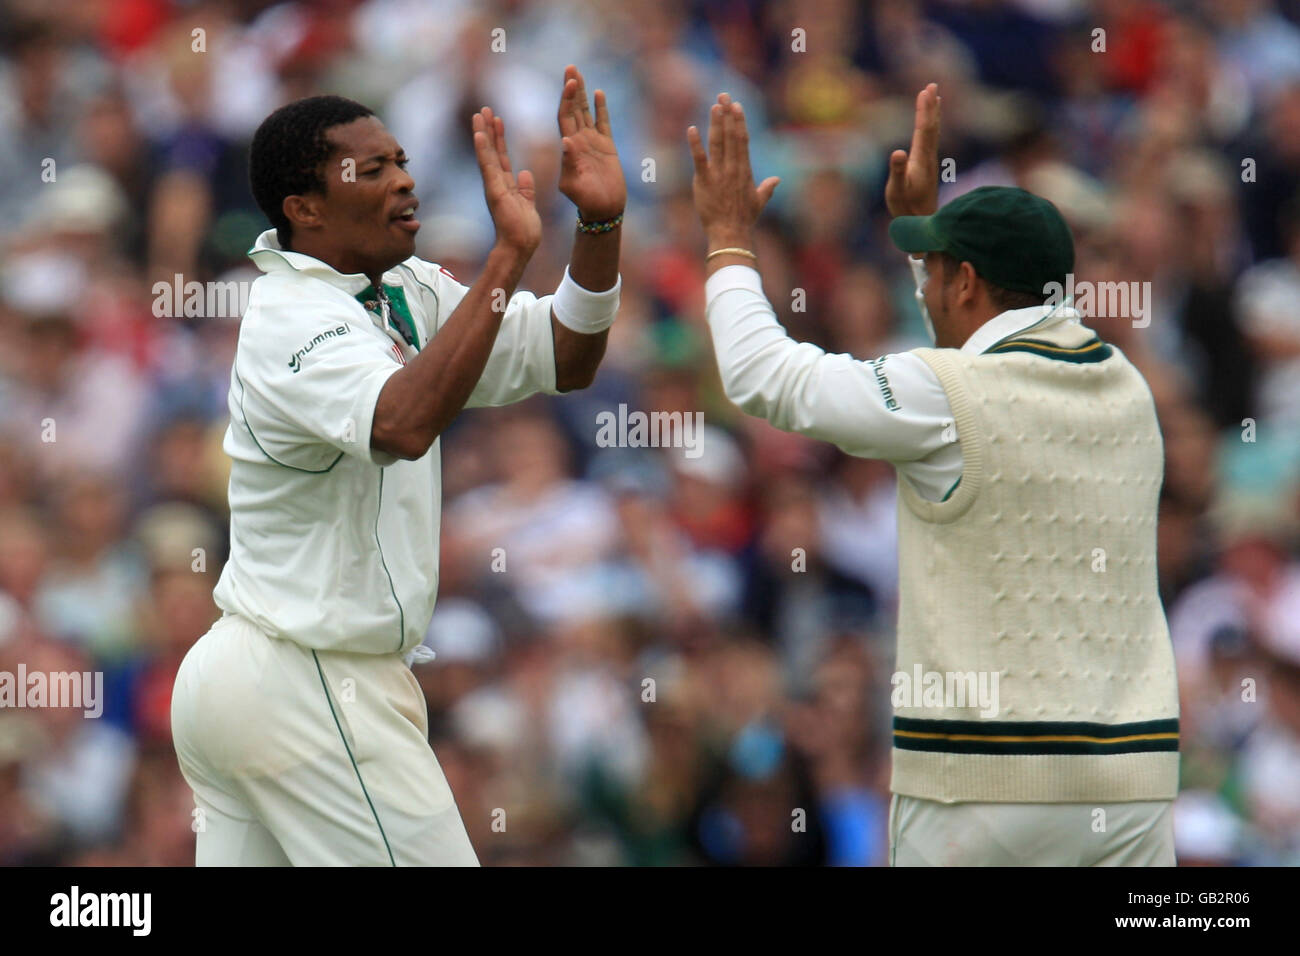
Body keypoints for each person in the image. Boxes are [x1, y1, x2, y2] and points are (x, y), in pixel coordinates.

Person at [687, 85, 1179, 866]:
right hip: (1132, 783)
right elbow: (977, 372)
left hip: (983, 788)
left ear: (968, 283)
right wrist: (924, 255)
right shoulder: (1127, 385)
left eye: (938, 271)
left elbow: (762, 378)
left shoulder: (946, 396)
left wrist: (726, 241)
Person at [170, 66, 626, 866]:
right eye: (372, 170)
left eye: (402, 161)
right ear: (303, 210)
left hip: (255, 679)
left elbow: (567, 354)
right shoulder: (290, 317)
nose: (406, 180)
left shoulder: (402, 288)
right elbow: (403, 423)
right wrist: (507, 259)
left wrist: (596, 228)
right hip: (310, 681)